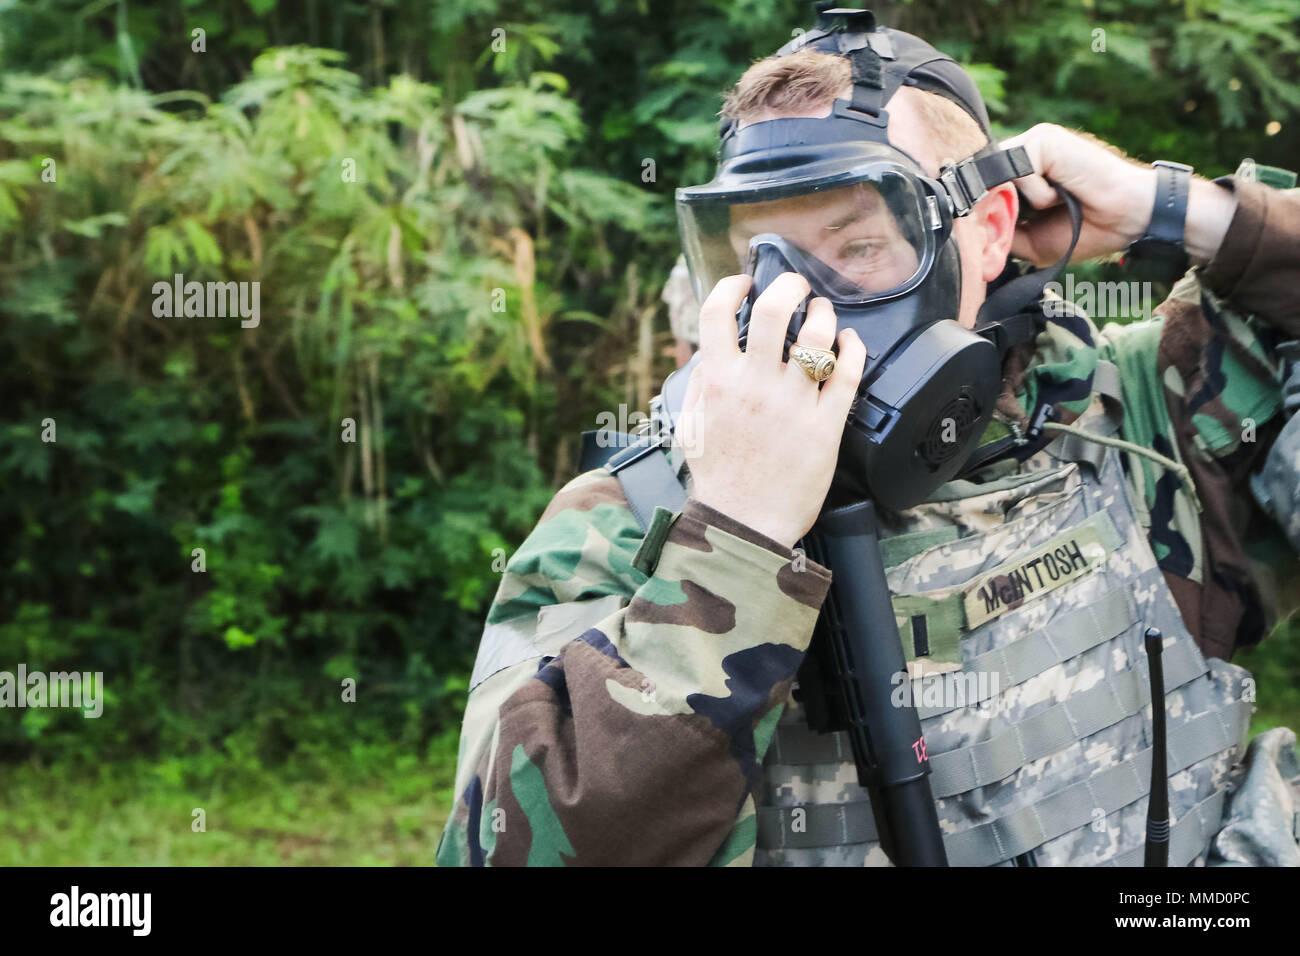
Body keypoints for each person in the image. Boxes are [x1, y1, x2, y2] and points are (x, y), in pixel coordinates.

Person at [437, 9, 1300, 867]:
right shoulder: (629, 524)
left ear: (989, 229)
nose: (807, 309)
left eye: (857, 247)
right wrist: (736, 535)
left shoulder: (1141, 411)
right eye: (761, 260)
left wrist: (1178, 209)